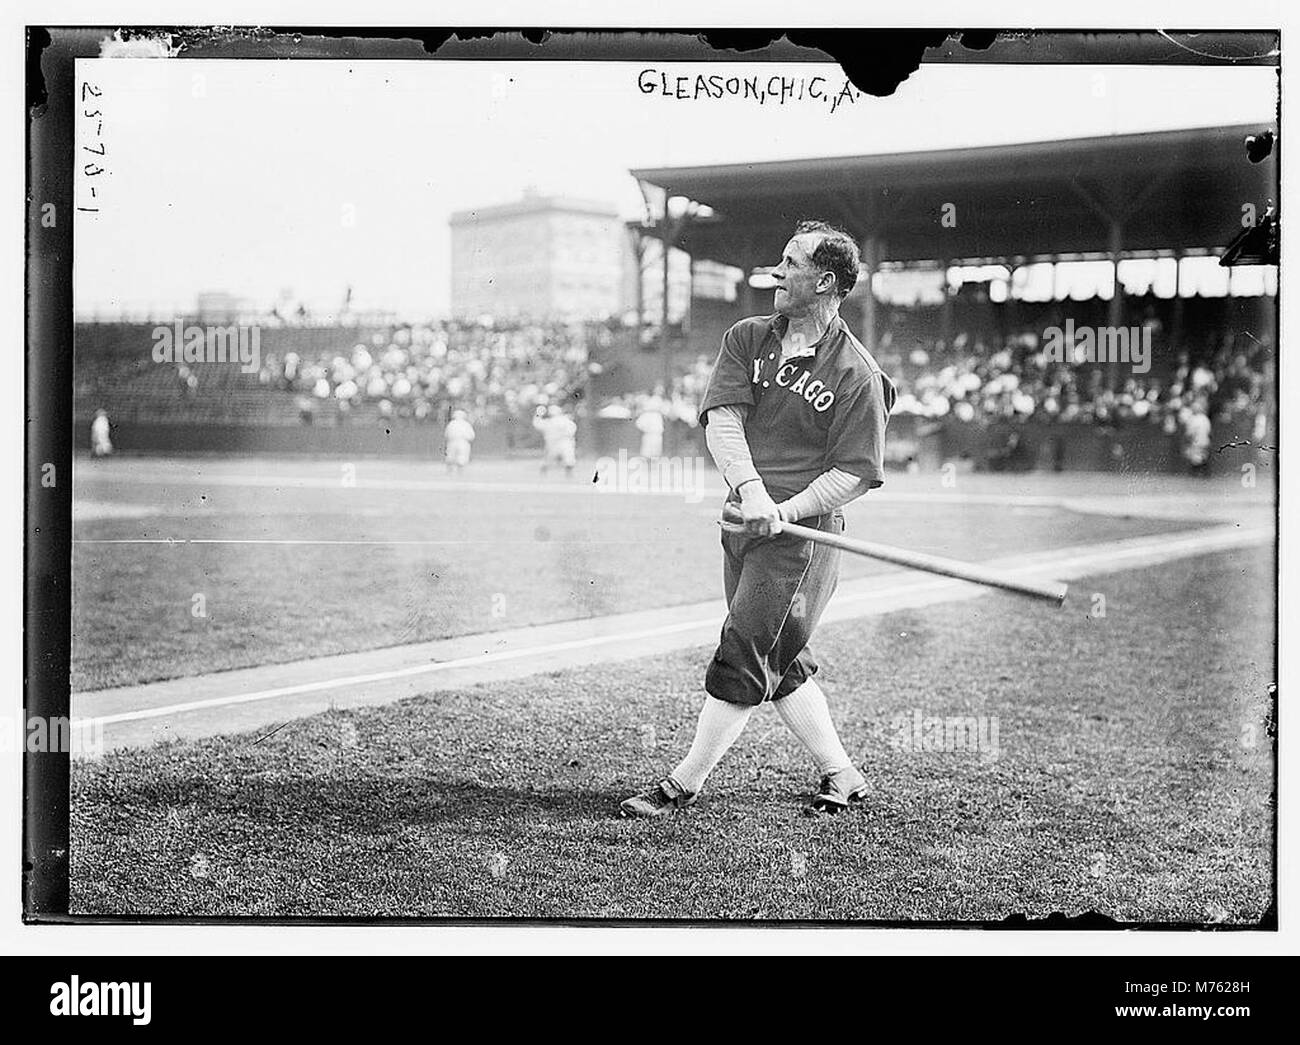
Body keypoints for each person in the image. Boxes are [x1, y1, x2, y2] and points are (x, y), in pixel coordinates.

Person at [621, 220, 896, 818]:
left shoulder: (858, 374)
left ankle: (684, 783)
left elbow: (853, 474)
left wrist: (785, 509)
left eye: (790, 261)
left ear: (824, 281)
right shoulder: (747, 337)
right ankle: (842, 774)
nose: (776, 270)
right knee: (780, 658)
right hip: (747, 519)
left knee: (745, 648)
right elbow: (723, 418)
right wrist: (752, 493)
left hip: (801, 538)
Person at [534, 403, 577, 479]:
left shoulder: (564, 420)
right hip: (554, 443)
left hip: (563, 441)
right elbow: (537, 424)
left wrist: (538, 414)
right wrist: (538, 414)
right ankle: (542, 476)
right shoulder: (551, 421)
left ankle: (569, 475)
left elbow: (572, 429)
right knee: (549, 460)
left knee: (568, 457)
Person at [443, 408, 476, 474]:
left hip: (453, 442)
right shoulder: (466, 424)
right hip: (463, 442)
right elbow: (472, 435)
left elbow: (446, 434)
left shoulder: (451, 424)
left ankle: (450, 472)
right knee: (461, 458)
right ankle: (459, 472)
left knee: (450, 457)